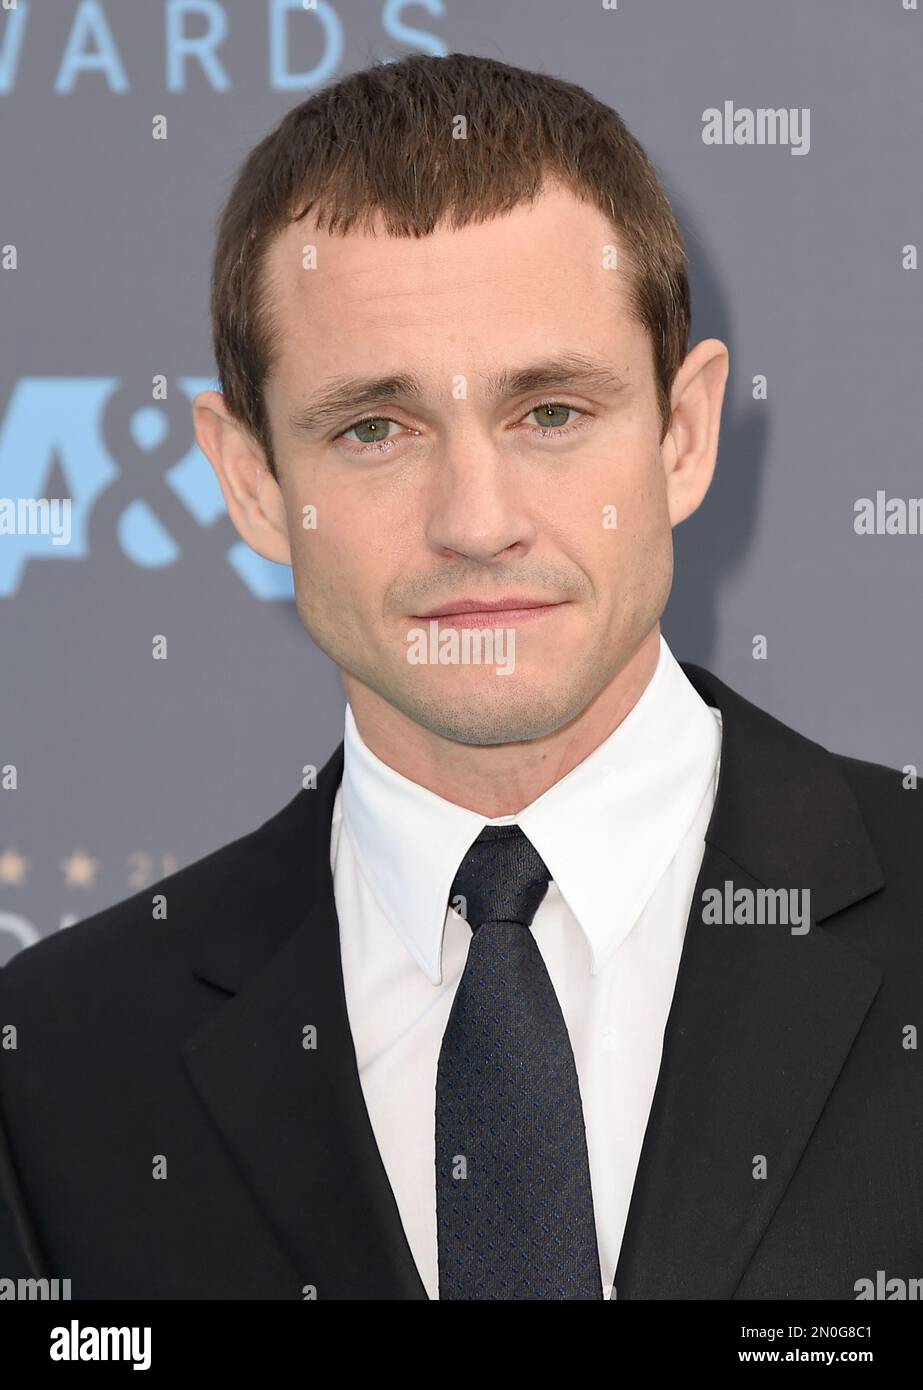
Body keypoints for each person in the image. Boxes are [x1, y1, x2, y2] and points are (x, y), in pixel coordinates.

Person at [1, 52, 920, 1302]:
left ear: (682, 435)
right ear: (255, 481)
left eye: (549, 411)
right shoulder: (61, 1059)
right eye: (373, 429)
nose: (475, 521)